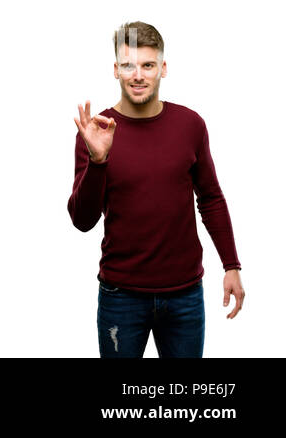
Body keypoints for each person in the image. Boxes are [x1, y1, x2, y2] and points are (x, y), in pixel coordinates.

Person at [68, 21, 244, 358]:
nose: (138, 75)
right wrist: (99, 160)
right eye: (129, 65)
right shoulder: (96, 131)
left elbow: (211, 198)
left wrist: (231, 265)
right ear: (116, 69)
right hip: (121, 296)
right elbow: (82, 220)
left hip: (185, 295)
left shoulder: (190, 124)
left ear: (162, 68)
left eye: (148, 65)